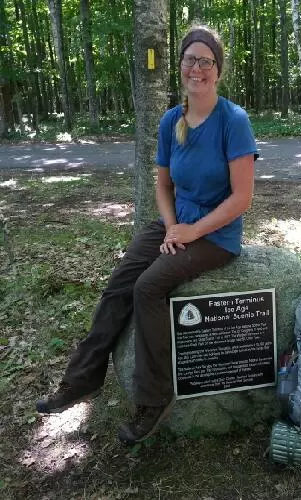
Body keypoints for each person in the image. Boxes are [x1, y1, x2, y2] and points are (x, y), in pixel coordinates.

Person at [36, 25, 258, 445]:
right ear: (180, 67)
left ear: (218, 69)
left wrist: (192, 231)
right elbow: (162, 186)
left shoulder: (233, 120)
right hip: (176, 222)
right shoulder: (171, 120)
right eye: (190, 59)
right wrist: (172, 225)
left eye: (206, 61)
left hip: (216, 235)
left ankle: (155, 399)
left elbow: (242, 198)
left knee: (149, 287)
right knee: (120, 282)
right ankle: (82, 379)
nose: (197, 68)